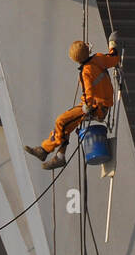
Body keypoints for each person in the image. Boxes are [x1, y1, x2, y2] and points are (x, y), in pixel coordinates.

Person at [25, 32, 121, 171]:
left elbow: (89, 92)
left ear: (75, 59)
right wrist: (113, 45)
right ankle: (59, 156)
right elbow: (113, 59)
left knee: (61, 121)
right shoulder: (99, 59)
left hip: (94, 107)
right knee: (67, 125)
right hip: (102, 105)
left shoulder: (85, 73)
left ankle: (45, 150)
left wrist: (86, 107)